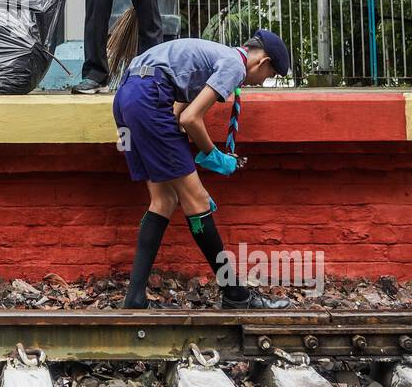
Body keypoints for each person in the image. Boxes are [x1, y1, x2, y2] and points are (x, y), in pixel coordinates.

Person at [112, 30, 293, 310]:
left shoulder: (210, 57)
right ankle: (235, 294)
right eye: (268, 75)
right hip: (148, 99)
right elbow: (190, 118)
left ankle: (134, 298)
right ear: (262, 62)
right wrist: (214, 155)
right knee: (196, 202)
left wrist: (184, 158)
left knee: (165, 200)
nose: (261, 82)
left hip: (126, 101)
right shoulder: (234, 64)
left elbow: (176, 114)